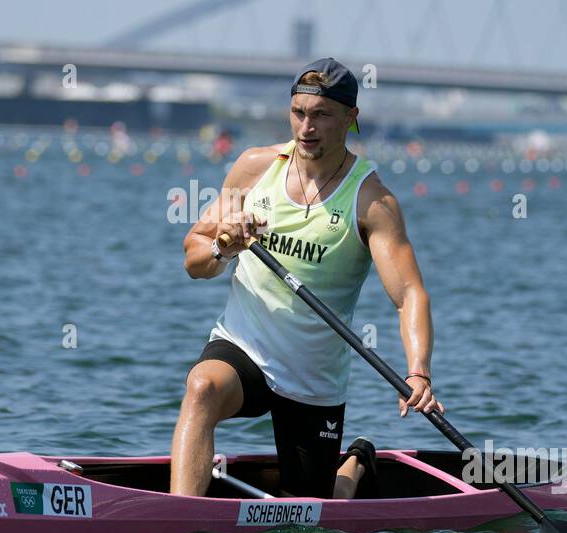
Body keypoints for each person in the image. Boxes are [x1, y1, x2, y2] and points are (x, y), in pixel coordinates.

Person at [171, 57, 444, 499]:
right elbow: (193, 259)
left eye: (321, 116)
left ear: (351, 118)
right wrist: (224, 245)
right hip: (245, 348)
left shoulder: (372, 201)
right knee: (201, 386)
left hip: (311, 378)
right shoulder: (254, 168)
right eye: (298, 113)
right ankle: (179, 517)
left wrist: (419, 374)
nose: (306, 128)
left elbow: (409, 294)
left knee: (313, 514)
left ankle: (355, 464)